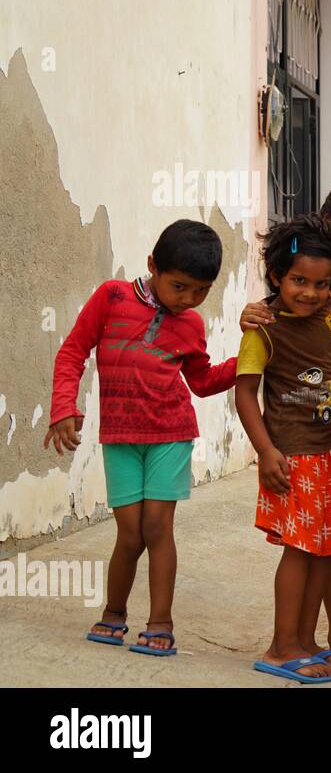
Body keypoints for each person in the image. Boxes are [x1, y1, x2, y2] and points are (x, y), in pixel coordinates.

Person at [47, 220, 237, 656]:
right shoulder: (111, 298)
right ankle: (114, 612)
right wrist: (63, 408)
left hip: (170, 433)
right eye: (179, 287)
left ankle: (160, 622)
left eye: (201, 291)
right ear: (153, 265)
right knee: (129, 535)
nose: (188, 300)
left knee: (157, 528)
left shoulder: (189, 324)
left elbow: (202, 381)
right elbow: (73, 351)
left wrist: (246, 360)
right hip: (120, 436)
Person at [235, 214, 331, 683]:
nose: (310, 292)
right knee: (299, 553)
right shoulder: (263, 328)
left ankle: (306, 641)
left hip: (321, 454)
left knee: (322, 552)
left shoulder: (324, 314)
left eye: (321, 284)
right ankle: (282, 647)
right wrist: (265, 452)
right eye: (298, 280)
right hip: (291, 456)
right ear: (277, 276)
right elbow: (244, 393)